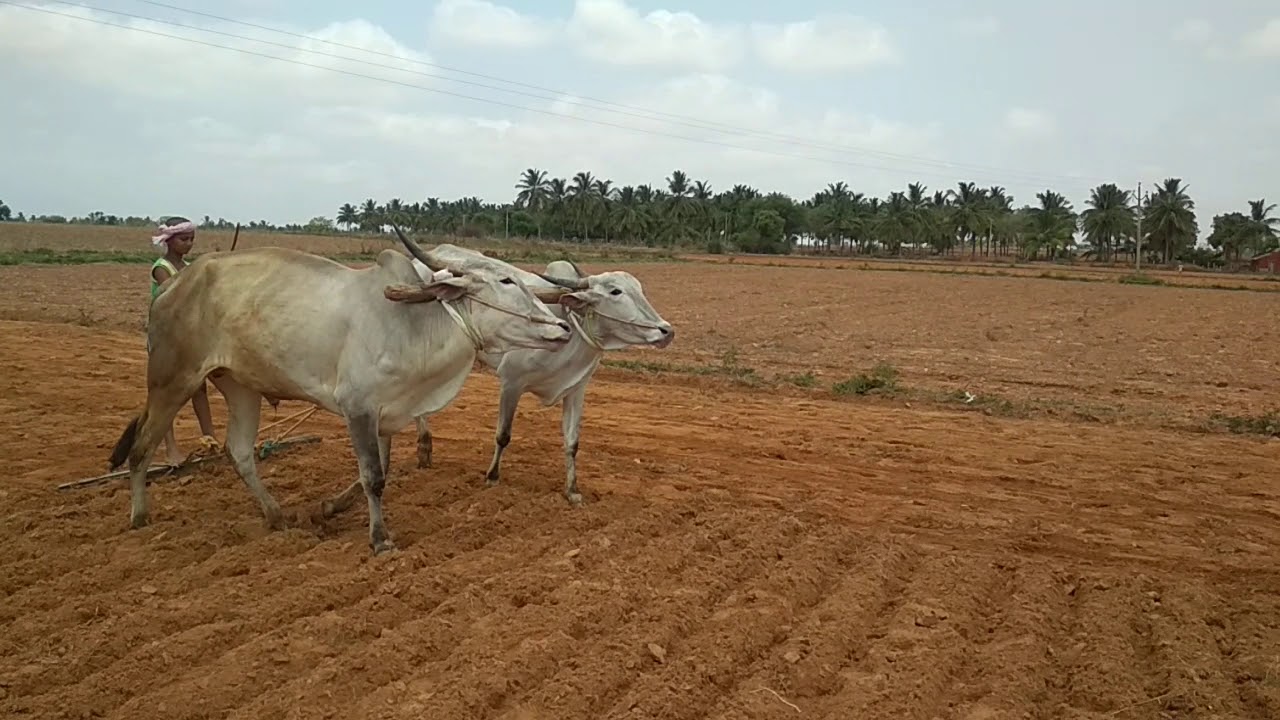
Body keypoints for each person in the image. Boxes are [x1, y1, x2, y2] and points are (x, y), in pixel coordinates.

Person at [148, 216, 219, 465]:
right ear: (169, 240)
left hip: (188, 337)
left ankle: (210, 439)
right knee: (167, 395)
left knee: (199, 389)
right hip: (167, 340)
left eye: (191, 239)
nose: (188, 244)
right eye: (183, 239)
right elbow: (174, 295)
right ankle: (171, 450)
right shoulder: (162, 267)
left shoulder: (188, 267)